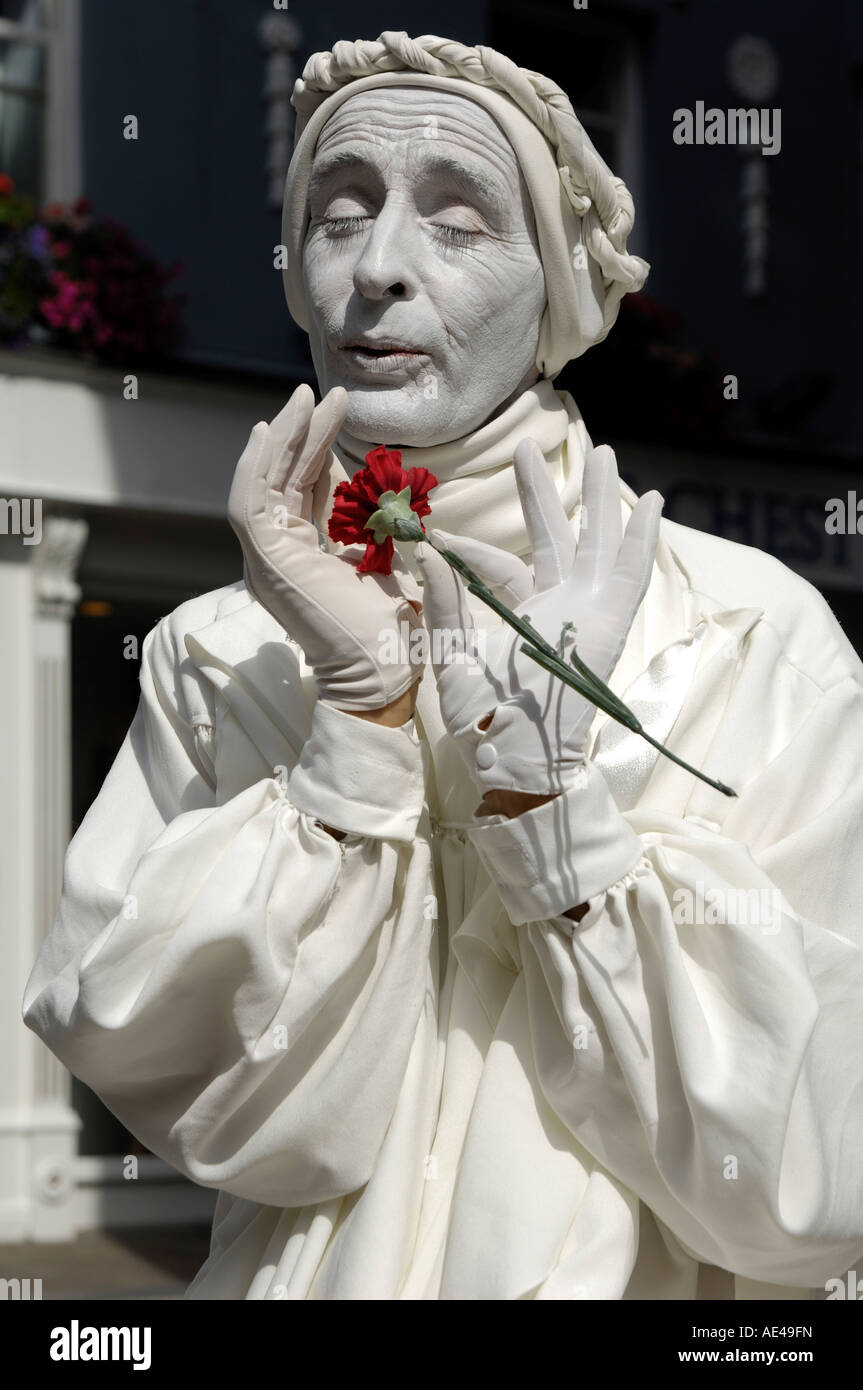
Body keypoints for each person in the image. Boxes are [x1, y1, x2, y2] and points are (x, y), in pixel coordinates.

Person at [23, 31, 863, 1300]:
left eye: (459, 224)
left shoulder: (746, 632)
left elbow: (805, 1190)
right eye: (336, 215)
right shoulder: (220, 648)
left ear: (558, 288)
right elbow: (213, 1102)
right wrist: (355, 735)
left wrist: (556, 832)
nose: (375, 271)